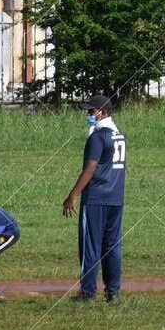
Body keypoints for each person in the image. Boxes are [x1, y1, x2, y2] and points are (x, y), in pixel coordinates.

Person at [64, 94, 127, 303]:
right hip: (116, 198)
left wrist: (73, 195)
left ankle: (88, 293)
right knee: (112, 246)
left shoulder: (97, 137)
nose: (89, 115)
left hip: (96, 198)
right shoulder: (120, 136)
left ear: (103, 112)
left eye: (92, 111)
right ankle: (113, 293)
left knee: (90, 246)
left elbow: (90, 168)